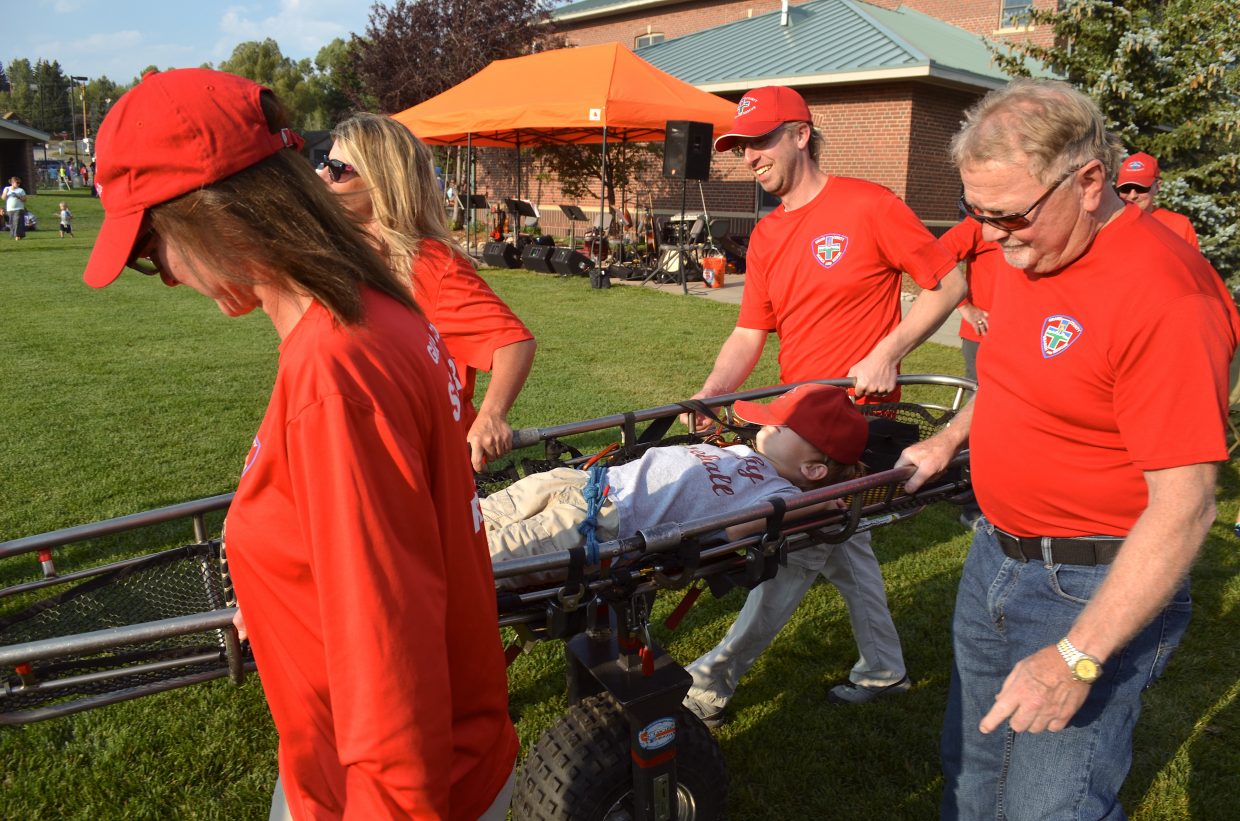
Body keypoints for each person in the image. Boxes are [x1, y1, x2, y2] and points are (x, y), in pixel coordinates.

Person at [82, 68, 518, 820]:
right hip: (383, 766)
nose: (169, 278)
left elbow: (390, 667)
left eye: (153, 252)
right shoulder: (377, 309)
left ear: (217, 215)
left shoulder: (335, 367)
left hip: (384, 791)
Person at [897, 78, 1238, 820]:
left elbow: (1186, 507)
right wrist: (950, 438)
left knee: (1049, 805)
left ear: (1088, 182)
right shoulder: (1030, 253)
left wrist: (1077, 655)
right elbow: (1019, 382)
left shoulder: (1167, 298)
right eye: (975, 213)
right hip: (995, 559)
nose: (991, 237)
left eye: (1009, 214)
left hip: (1090, 588)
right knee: (973, 777)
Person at [681, 85, 967, 720]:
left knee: (799, 543)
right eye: (740, 147)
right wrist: (714, 390)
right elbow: (748, 331)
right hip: (790, 420)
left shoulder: (870, 205)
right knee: (842, 543)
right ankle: (884, 668)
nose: (748, 157)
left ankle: (711, 680)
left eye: (759, 142)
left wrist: (890, 350)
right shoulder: (764, 236)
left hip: (851, 421)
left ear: (800, 136)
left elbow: (949, 283)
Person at [485, 384, 867, 589]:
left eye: (780, 427)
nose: (766, 427)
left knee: (483, 559)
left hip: (597, 523)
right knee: (471, 517)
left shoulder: (782, 495)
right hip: (583, 481)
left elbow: (740, 529)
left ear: (813, 470)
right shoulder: (739, 449)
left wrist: (819, 505)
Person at [319, 113, 537, 473]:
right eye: (324, 164)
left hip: (422, 464)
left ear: (382, 183)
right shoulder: (348, 251)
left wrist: (491, 416)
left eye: (337, 169)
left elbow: (514, 342)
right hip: (363, 455)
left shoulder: (429, 265)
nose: (321, 176)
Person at [1115, 151, 1200, 250]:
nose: (1132, 195)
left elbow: (1193, 265)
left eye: (1141, 188)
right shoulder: (1106, 225)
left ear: (1157, 186)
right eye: (1126, 188)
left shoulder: (1179, 226)